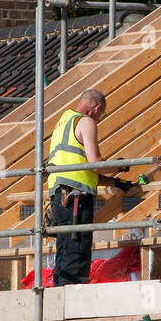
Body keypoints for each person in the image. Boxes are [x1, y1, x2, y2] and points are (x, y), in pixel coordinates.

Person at [45, 89, 134, 284]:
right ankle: (72, 303)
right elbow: (95, 162)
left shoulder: (63, 123)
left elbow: (82, 171)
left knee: (65, 250)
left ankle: (60, 298)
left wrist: (115, 182)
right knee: (77, 252)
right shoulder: (86, 122)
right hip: (76, 199)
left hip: (60, 197)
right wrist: (120, 166)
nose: (100, 118)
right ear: (97, 108)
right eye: (101, 114)